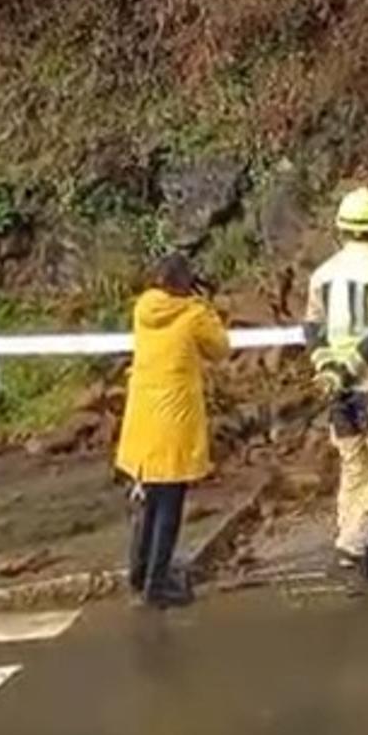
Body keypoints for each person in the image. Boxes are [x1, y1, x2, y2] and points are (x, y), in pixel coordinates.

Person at [305, 187, 368, 599]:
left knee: (354, 466)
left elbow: (311, 328)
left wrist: (327, 367)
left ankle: (356, 560)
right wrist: (348, 368)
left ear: (341, 228)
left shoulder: (321, 275)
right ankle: (351, 546)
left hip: (334, 387)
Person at [115, 253, 230, 609]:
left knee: (149, 501)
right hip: (174, 423)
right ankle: (157, 583)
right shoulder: (194, 314)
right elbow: (220, 348)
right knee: (170, 505)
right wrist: (204, 303)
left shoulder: (143, 310)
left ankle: (139, 571)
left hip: (143, 420)